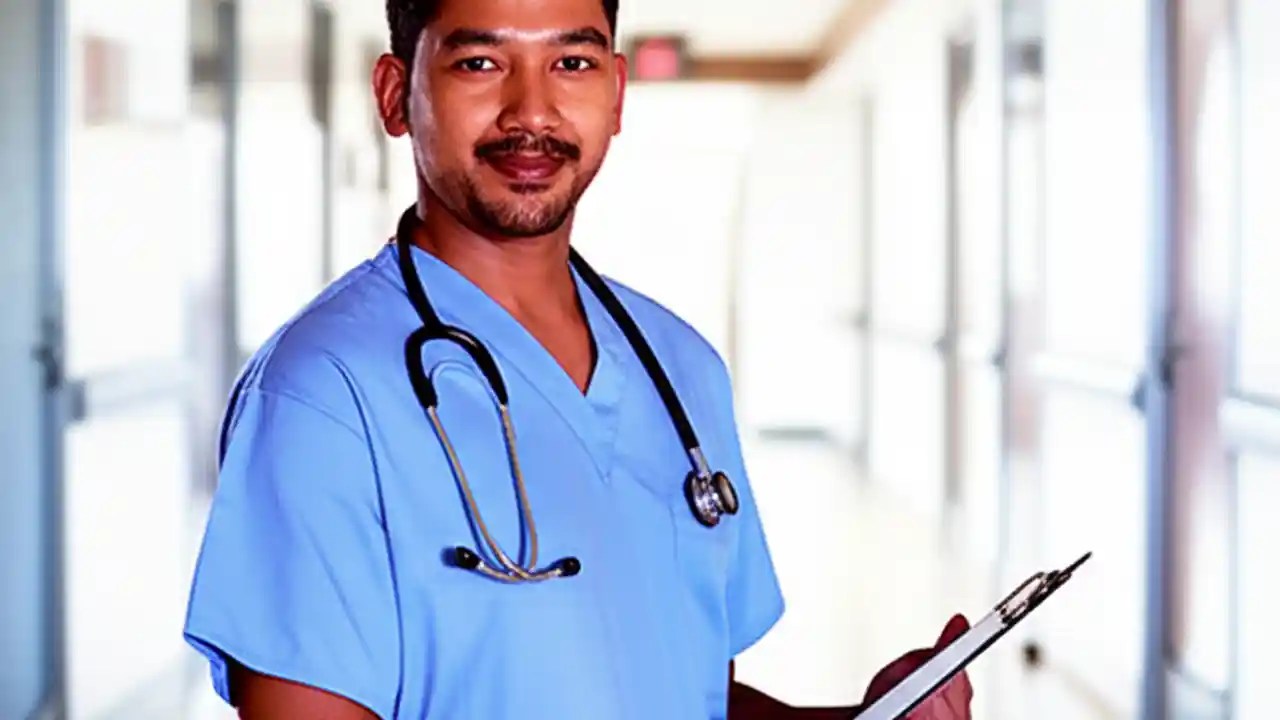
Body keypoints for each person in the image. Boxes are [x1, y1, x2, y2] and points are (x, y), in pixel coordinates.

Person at [182, 0, 975, 718]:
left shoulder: (681, 369)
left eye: (573, 62)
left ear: (618, 93)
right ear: (395, 95)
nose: (532, 111)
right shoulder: (324, 392)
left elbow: (680, 688)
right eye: (480, 62)